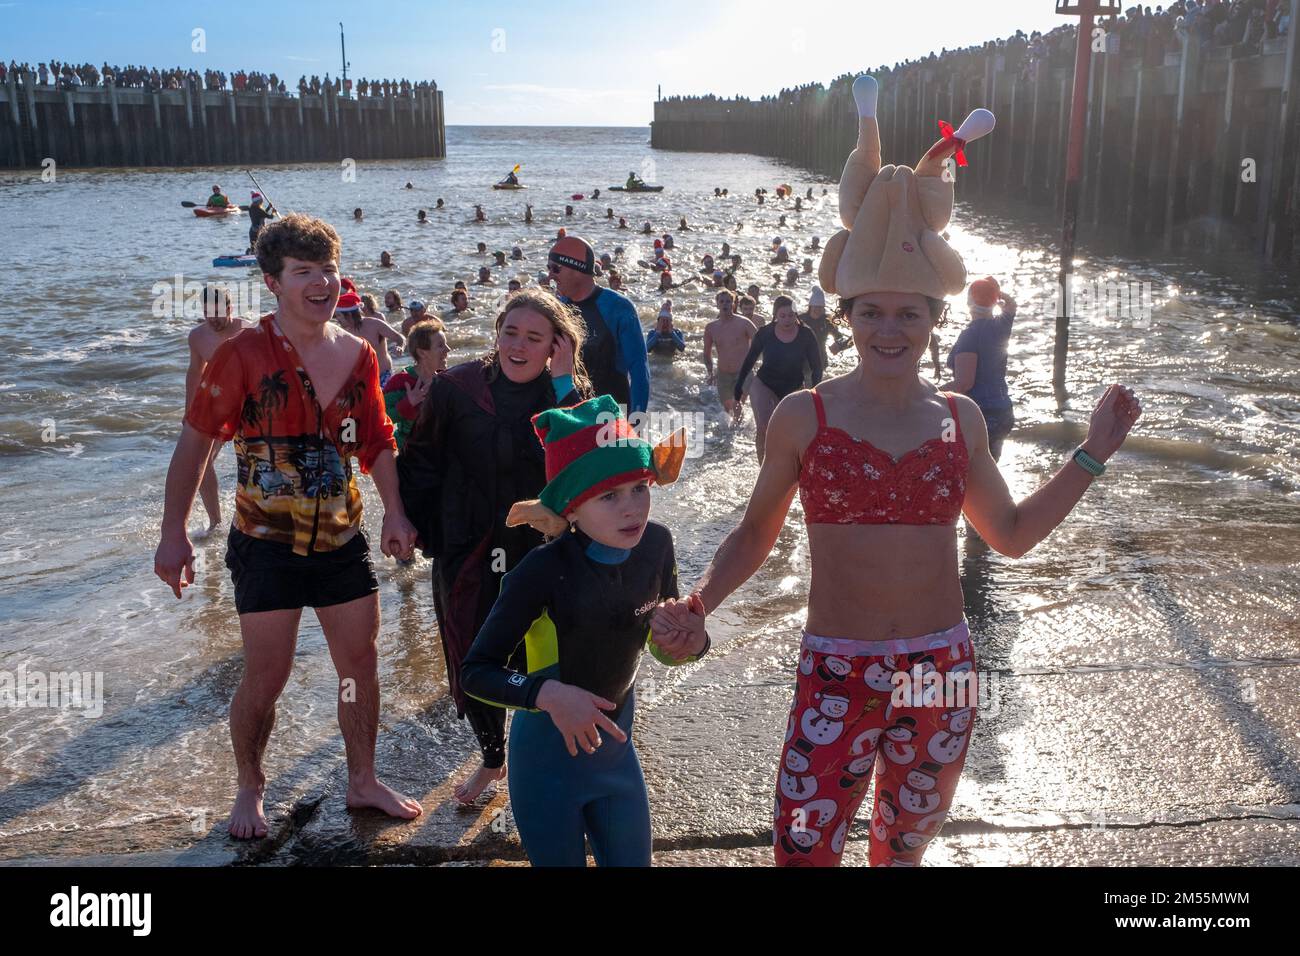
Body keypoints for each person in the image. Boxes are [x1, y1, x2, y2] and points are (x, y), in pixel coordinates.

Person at [652, 77, 1141, 870]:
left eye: (908, 314)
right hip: (836, 666)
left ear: (932, 323)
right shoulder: (803, 416)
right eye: (872, 312)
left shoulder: (959, 419)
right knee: (803, 846)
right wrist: (701, 601)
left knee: (902, 851)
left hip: (940, 669)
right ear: (846, 321)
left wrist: (1091, 454)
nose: (890, 328)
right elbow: (755, 531)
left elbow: (1010, 537)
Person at [153, 213, 424, 839]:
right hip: (264, 543)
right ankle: (250, 786)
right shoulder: (241, 355)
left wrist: (396, 511)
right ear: (273, 282)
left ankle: (362, 777)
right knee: (266, 674)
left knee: (360, 663)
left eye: (328, 269)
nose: (321, 282)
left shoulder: (357, 354)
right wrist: (173, 531)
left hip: (340, 538)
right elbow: (194, 446)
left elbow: (376, 442)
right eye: (304, 272)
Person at [460, 395, 704, 866]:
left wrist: (687, 642)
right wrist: (549, 695)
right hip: (546, 766)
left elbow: (658, 639)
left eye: (639, 487)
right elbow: (477, 672)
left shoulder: (657, 544)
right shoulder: (542, 570)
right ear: (571, 509)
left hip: (615, 756)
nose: (632, 508)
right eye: (609, 496)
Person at [397, 290, 590, 804]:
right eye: (511, 333)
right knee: (475, 654)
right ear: (496, 331)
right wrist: (414, 528)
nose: (519, 346)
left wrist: (565, 383)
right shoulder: (457, 388)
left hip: (545, 549)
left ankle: (540, 757)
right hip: (468, 547)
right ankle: (492, 759)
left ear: (557, 346)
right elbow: (419, 463)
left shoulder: (566, 395)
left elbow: (592, 466)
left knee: (544, 658)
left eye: (536, 337)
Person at [548, 236, 651, 416]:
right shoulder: (558, 309)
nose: (550, 275)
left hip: (612, 416)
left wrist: (636, 422)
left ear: (577, 269)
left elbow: (639, 370)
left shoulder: (618, 307)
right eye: (549, 268)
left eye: (555, 268)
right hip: (569, 414)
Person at [185, 284, 256, 535]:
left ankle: (255, 512)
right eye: (208, 313)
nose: (213, 320)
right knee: (200, 462)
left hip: (250, 404)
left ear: (230, 308)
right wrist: (189, 411)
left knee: (256, 459)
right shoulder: (197, 337)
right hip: (217, 404)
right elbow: (195, 372)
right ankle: (216, 522)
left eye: (218, 313)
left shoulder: (247, 330)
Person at [733, 294, 822, 462]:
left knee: (792, 432)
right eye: (782, 316)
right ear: (775, 316)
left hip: (793, 387)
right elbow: (749, 361)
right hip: (764, 384)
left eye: (791, 315)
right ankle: (763, 469)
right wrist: (738, 389)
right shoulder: (765, 333)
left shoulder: (806, 334)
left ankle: (787, 467)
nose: (787, 320)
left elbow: (817, 367)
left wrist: (815, 393)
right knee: (765, 425)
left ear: (796, 314)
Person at [940, 277, 1017, 462]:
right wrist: (996, 292)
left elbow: (964, 383)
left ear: (969, 302)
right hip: (1003, 412)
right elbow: (1012, 305)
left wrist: (929, 393)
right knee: (988, 472)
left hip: (981, 414)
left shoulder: (970, 335)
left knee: (960, 468)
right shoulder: (1001, 326)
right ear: (994, 301)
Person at [383, 318, 450, 453]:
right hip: (410, 456)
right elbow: (379, 420)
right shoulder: (402, 382)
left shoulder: (447, 380)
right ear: (422, 353)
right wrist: (408, 403)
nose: (448, 349)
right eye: (441, 345)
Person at [703, 289, 758, 418]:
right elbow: (706, 353)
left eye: (728, 301)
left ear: (733, 304)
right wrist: (710, 372)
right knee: (728, 409)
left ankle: (736, 435)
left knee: (737, 405)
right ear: (717, 304)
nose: (725, 304)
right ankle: (735, 431)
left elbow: (760, 342)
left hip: (743, 372)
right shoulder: (711, 328)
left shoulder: (744, 323)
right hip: (723, 375)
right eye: (721, 301)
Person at [335, 287, 406, 385]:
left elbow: (400, 338)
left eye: (339, 316)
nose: (337, 319)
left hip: (383, 374)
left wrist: (400, 347)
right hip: (362, 378)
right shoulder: (342, 333)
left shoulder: (375, 324)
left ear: (349, 315)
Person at [801, 285, 848, 374]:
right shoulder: (800, 320)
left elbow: (841, 338)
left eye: (820, 307)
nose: (818, 310)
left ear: (823, 308)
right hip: (801, 361)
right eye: (815, 307)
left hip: (820, 361)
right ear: (810, 306)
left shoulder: (827, 322)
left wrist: (839, 345)